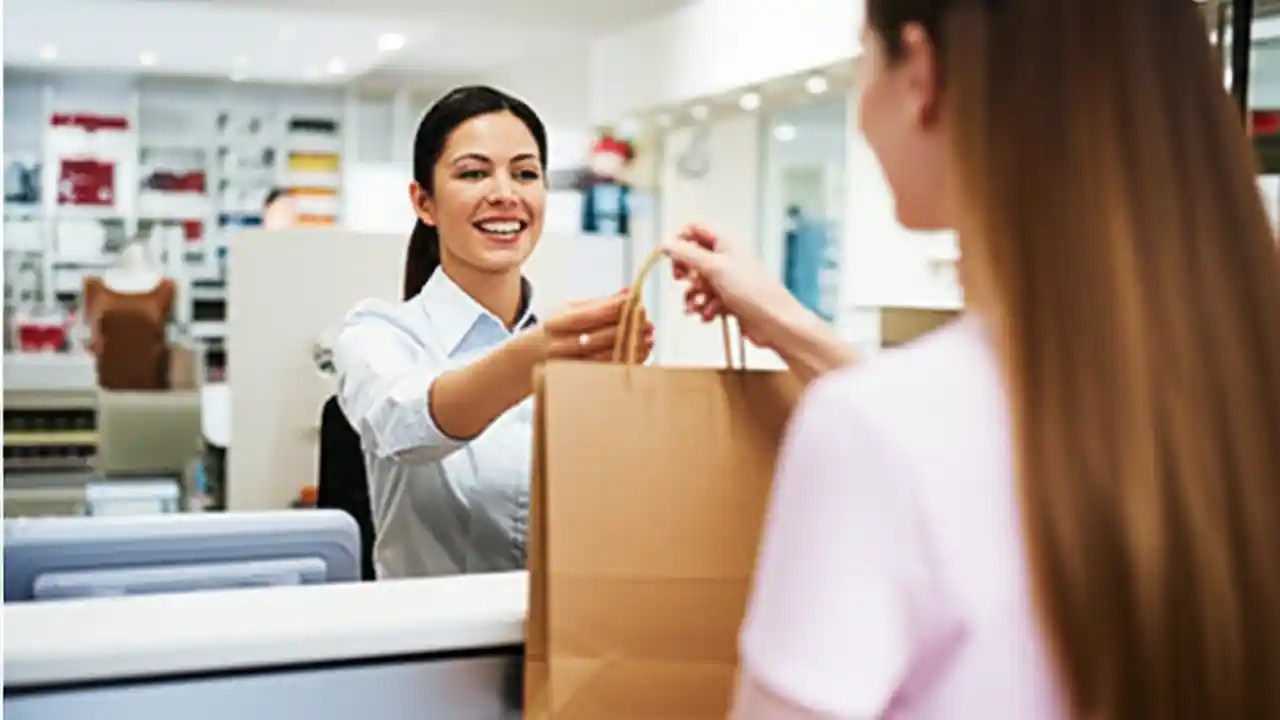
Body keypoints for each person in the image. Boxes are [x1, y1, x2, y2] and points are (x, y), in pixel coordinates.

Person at [667, 1, 1280, 717]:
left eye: (865, 58)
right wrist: (784, 324)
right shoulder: (1244, 391)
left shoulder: (871, 433)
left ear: (921, 73)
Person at [334, 86, 652, 579]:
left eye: (525, 173)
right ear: (424, 203)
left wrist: (616, 400)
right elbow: (406, 426)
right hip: (433, 644)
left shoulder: (572, 339)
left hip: (572, 640)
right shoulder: (378, 335)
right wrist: (535, 359)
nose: (505, 194)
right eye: (473, 173)